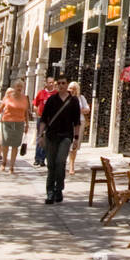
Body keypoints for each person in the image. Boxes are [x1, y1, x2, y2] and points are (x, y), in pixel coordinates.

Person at [38, 73, 81, 205]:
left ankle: (59, 189)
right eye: (59, 83)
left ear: (67, 84)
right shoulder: (52, 100)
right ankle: (50, 192)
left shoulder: (73, 101)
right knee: (51, 164)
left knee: (60, 162)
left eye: (64, 83)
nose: (61, 86)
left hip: (66, 136)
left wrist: (76, 139)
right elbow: (44, 119)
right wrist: (40, 136)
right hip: (51, 136)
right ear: (57, 85)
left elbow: (77, 122)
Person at [0, 79, 30, 174]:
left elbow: (26, 112)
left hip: (19, 123)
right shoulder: (8, 97)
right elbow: (0, 109)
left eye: (21, 87)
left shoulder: (25, 98)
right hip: (7, 122)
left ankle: (12, 166)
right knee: (5, 143)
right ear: (14, 87)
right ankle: (4, 161)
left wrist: (27, 124)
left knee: (15, 145)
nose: (19, 88)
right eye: (18, 86)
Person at [32, 77, 56, 167]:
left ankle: (43, 159)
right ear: (46, 83)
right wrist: (37, 112)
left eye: (52, 82)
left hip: (51, 119)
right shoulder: (41, 93)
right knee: (40, 137)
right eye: (49, 82)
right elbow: (35, 104)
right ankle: (37, 158)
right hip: (41, 118)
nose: (51, 84)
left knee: (47, 138)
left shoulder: (56, 94)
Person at [66, 82, 89, 174]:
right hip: (66, 123)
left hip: (79, 122)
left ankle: (71, 165)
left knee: (74, 145)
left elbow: (87, 109)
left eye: (74, 88)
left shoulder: (81, 98)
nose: (72, 90)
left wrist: (78, 110)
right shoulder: (64, 97)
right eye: (71, 88)